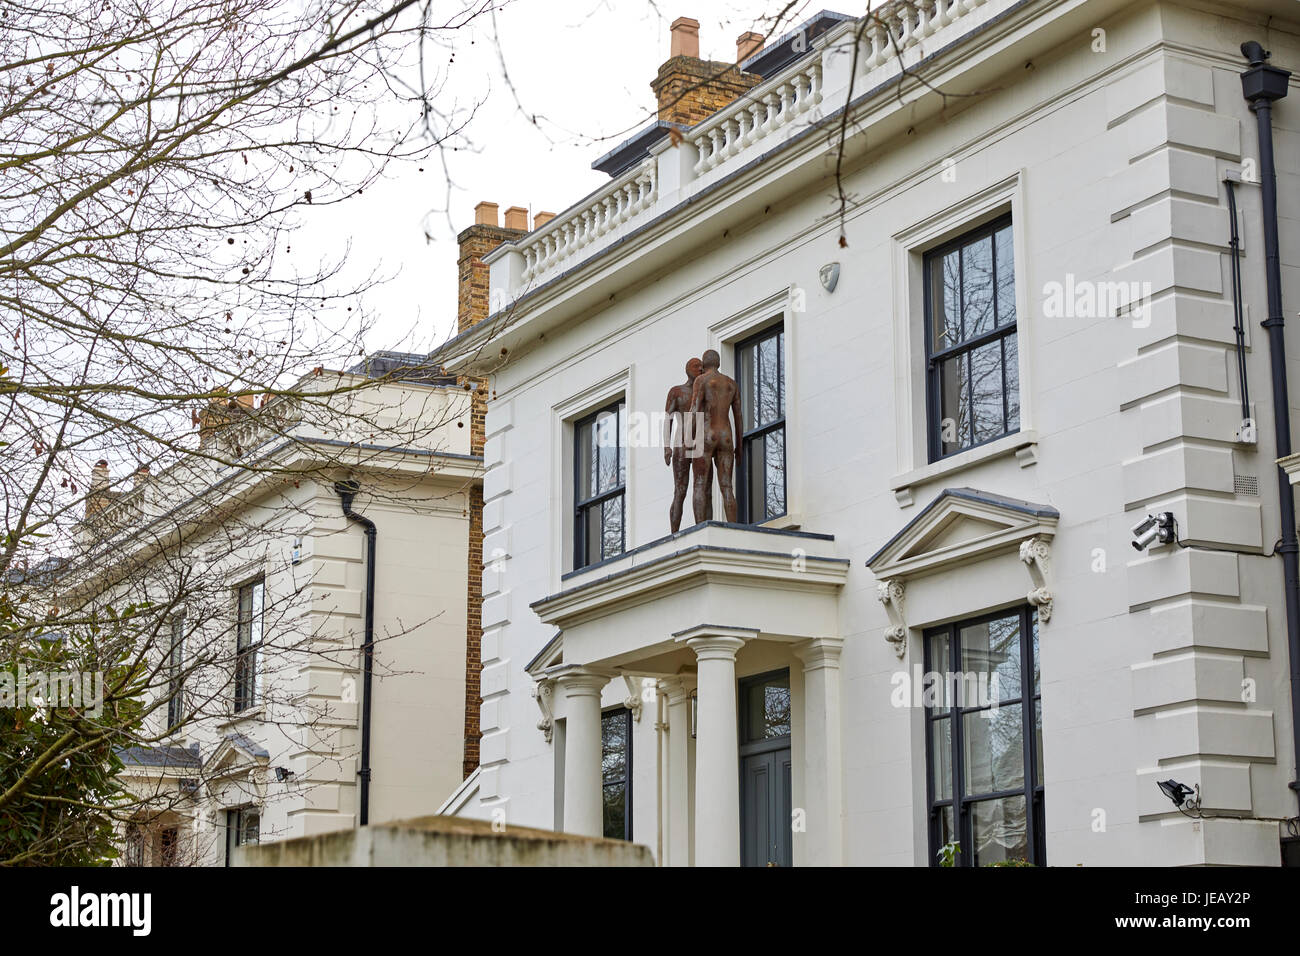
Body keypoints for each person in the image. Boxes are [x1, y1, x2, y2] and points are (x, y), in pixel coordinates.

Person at [687, 348, 742, 524]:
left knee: (699, 485)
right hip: (726, 436)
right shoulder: (731, 384)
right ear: (718, 363)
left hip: (707, 434)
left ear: (704, 364)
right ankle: (734, 527)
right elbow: (738, 417)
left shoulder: (701, 380)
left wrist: (688, 440)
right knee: (727, 487)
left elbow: (694, 410)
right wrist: (739, 447)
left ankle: (699, 530)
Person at [663, 357, 711, 532]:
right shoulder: (677, 391)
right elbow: (667, 419)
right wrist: (666, 446)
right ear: (687, 369)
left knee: (704, 488)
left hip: (701, 442)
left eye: (701, 367)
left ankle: (704, 530)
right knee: (680, 491)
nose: (700, 369)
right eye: (696, 366)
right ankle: (674, 533)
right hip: (681, 442)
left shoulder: (705, 390)